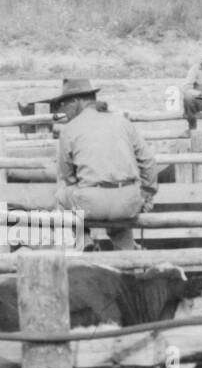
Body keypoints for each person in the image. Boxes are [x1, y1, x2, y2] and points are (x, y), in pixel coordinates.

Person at [47, 78, 157, 251]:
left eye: (64, 104)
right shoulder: (123, 123)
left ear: (77, 101)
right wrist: (147, 194)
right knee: (119, 220)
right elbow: (148, 162)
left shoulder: (69, 129)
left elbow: (67, 176)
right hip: (128, 202)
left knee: (60, 196)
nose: (63, 111)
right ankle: (127, 254)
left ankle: (84, 242)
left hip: (92, 204)